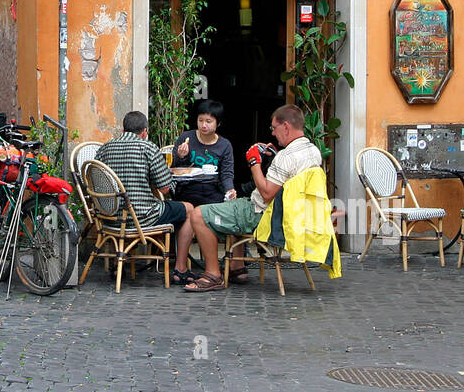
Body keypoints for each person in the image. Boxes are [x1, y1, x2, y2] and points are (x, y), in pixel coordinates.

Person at [183, 104, 322, 292]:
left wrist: (254, 162)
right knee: (232, 204)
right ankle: (237, 268)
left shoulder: (286, 157)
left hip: (263, 214)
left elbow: (266, 193)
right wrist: (274, 158)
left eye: (274, 128)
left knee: (198, 215)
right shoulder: (313, 151)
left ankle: (213, 274)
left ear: (286, 127)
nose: (273, 133)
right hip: (292, 214)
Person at [96, 111, 197, 283]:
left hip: (109, 217)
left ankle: (117, 260)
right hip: (142, 217)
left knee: (131, 205)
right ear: (144, 131)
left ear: (123, 129)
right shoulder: (147, 147)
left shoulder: (105, 148)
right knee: (189, 209)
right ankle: (180, 269)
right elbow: (165, 189)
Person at [170, 100, 235, 207]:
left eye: (208, 121)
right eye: (200, 120)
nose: (203, 125)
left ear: (218, 123)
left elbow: (226, 173)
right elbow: (173, 168)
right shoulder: (186, 138)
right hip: (188, 190)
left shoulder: (225, 145)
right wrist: (181, 156)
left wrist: (229, 190)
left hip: (213, 191)